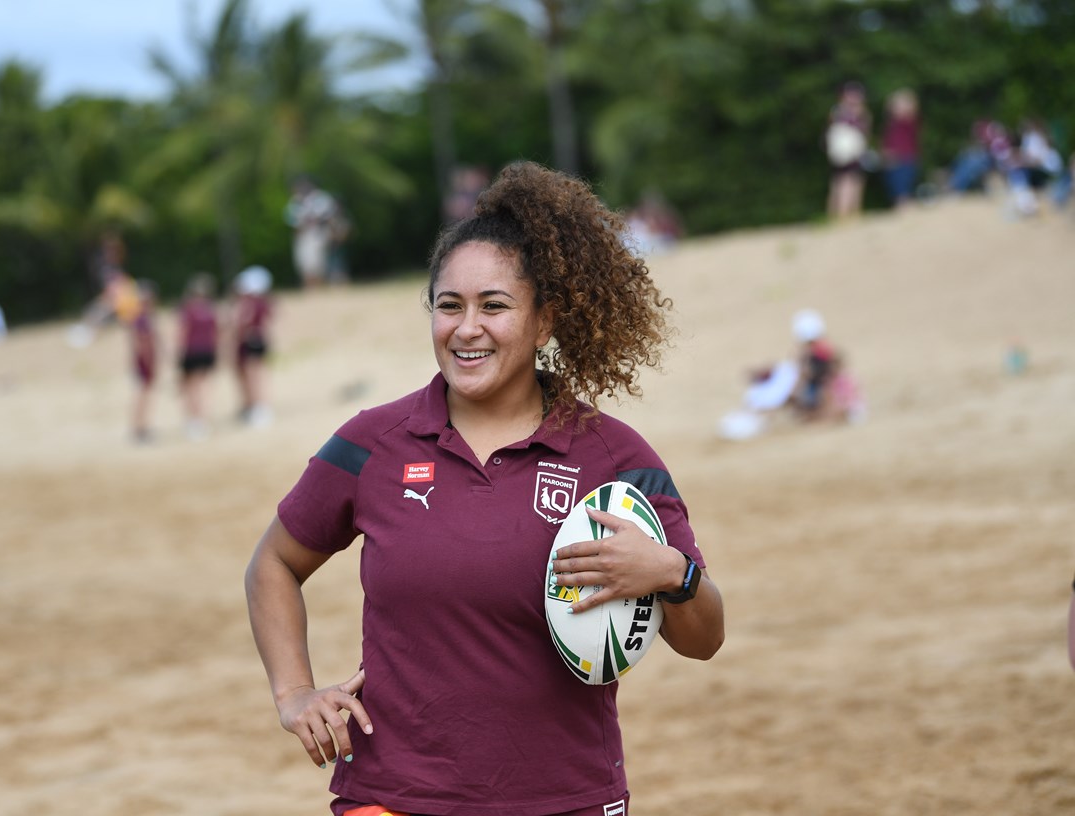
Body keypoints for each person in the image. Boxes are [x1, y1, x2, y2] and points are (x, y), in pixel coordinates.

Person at [244, 161, 725, 816]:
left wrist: (671, 572)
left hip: (563, 800)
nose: (466, 328)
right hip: (393, 796)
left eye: (494, 306)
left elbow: (703, 639)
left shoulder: (614, 458)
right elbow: (273, 563)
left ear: (545, 321)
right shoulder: (374, 443)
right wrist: (293, 692)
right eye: (449, 306)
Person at [230, 265, 274, 427]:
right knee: (258, 375)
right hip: (260, 340)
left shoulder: (247, 302)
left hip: (249, 341)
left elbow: (239, 321)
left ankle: (257, 407)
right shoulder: (263, 302)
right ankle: (258, 406)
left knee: (252, 376)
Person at [177, 272, 218, 439]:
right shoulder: (210, 309)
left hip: (192, 351)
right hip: (207, 350)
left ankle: (195, 420)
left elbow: (182, 332)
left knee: (191, 387)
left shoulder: (188, 310)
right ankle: (201, 419)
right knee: (203, 385)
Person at [287, 176, 344, 289]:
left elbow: (328, 216)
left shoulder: (321, 198)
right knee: (304, 264)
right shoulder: (295, 201)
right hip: (302, 236)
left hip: (318, 234)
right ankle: (309, 288)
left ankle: (318, 287)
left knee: (317, 264)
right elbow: (293, 221)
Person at [826, 81, 872, 221]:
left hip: (855, 154)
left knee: (854, 182)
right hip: (844, 154)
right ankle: (841, 215)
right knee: (844, 183)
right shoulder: (839, 111)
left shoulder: (862, 113)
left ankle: (852, 214)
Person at [130, 280, 160, 443]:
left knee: (145, 396)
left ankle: (143, 426)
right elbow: (142, 345)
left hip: (146, 363)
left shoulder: (147, 317)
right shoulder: (141, 319)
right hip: (143, 364)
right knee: (142, 396)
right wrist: (149, 363)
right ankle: (139, 428)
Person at [880, 88, 921, 207]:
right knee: (896, 190)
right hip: (892, 161)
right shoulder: (891, 123)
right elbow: (887, 142)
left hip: (905, 159)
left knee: (903, 189)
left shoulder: (909, 121)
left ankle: (905, 210)